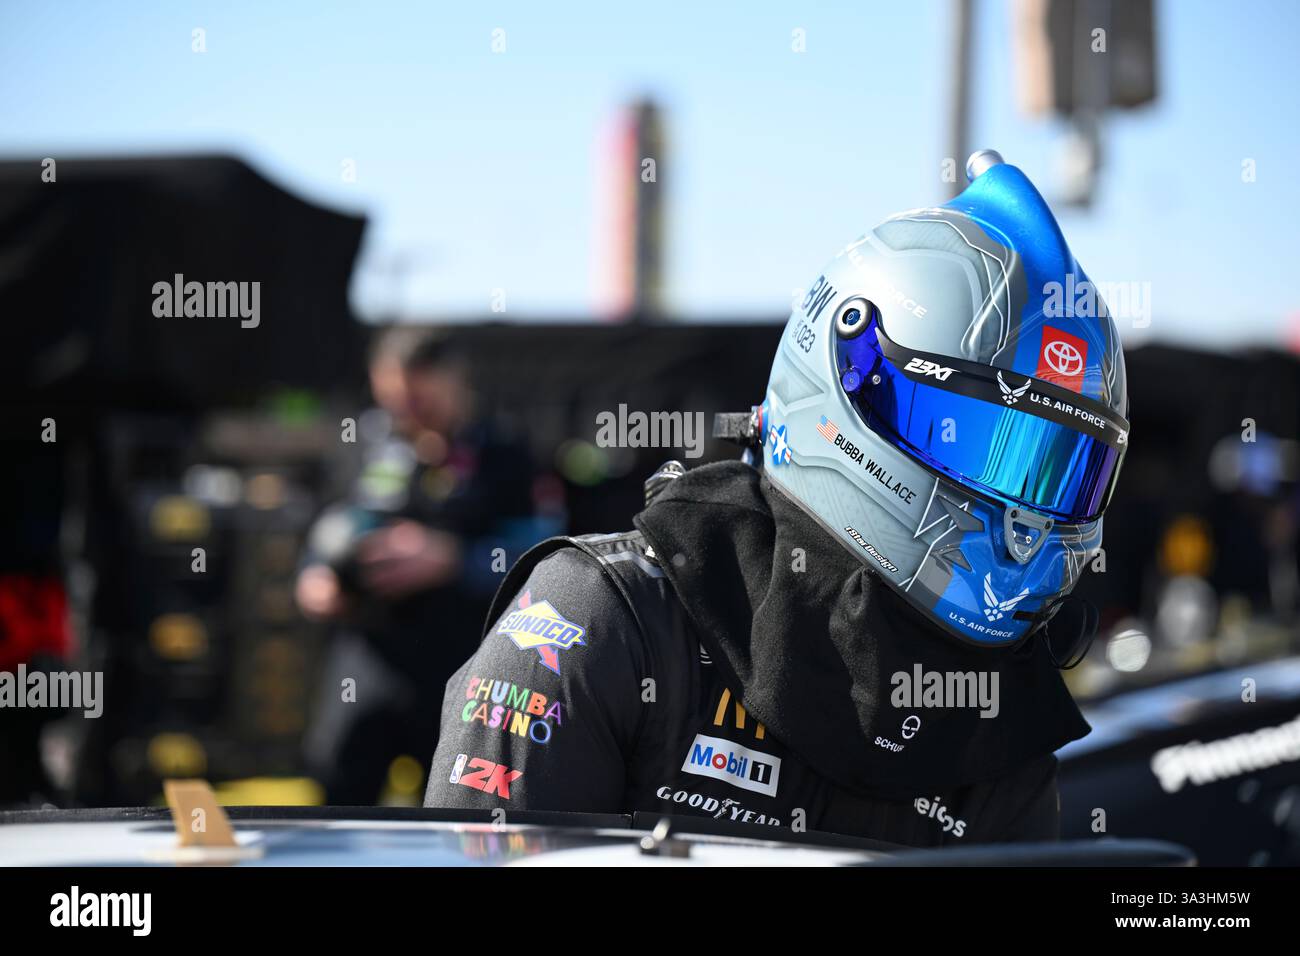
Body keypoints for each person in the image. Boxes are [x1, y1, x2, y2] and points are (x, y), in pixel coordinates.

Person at [424, 152, 1130, 845]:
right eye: (984, 443)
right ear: (850, 369)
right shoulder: (597, 626)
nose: (1026, 519)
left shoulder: (1000, 725)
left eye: (1060, 468)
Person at [298, 328, 537, 804]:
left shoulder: (506, 454)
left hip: (462, 669)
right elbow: (321, 524)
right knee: (335, 801)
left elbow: (544, 557)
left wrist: (454, 559)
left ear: (454, 380)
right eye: (395, 399)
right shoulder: (363, 443)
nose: (407, 413)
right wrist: (314, 576)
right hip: (364, 663)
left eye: (420, 399)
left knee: (452, 814)